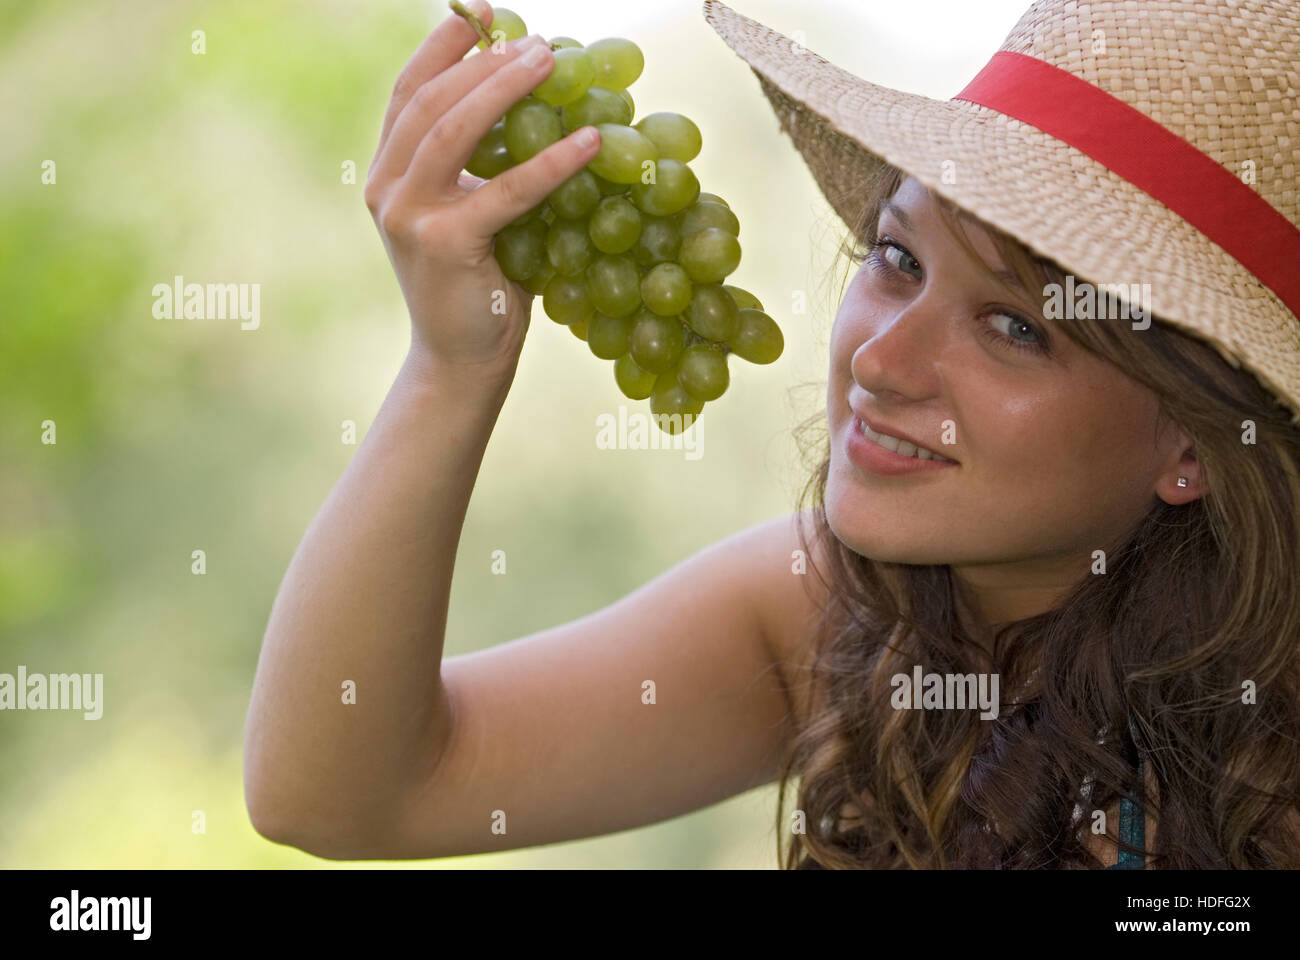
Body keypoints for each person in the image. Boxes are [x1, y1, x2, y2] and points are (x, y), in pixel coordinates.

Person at [243, 0, 1300, 868]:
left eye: (1016, 327)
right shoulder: (823, 616)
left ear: (1195, 448)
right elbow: (339, 797)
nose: (880, 361)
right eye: (897, 259)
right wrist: (449, 371)